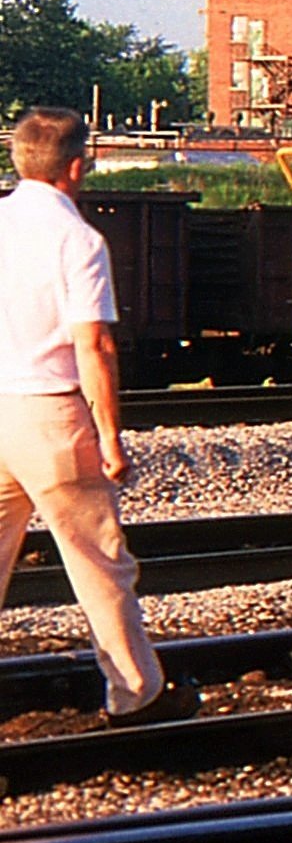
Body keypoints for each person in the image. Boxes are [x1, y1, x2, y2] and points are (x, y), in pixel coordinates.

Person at [0, 108, 191, 725]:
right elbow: (95, 345)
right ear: (78, 167)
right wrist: (110, 437)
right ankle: (138, 694)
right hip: (51, 417)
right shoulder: (78, 241)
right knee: (99, 563)